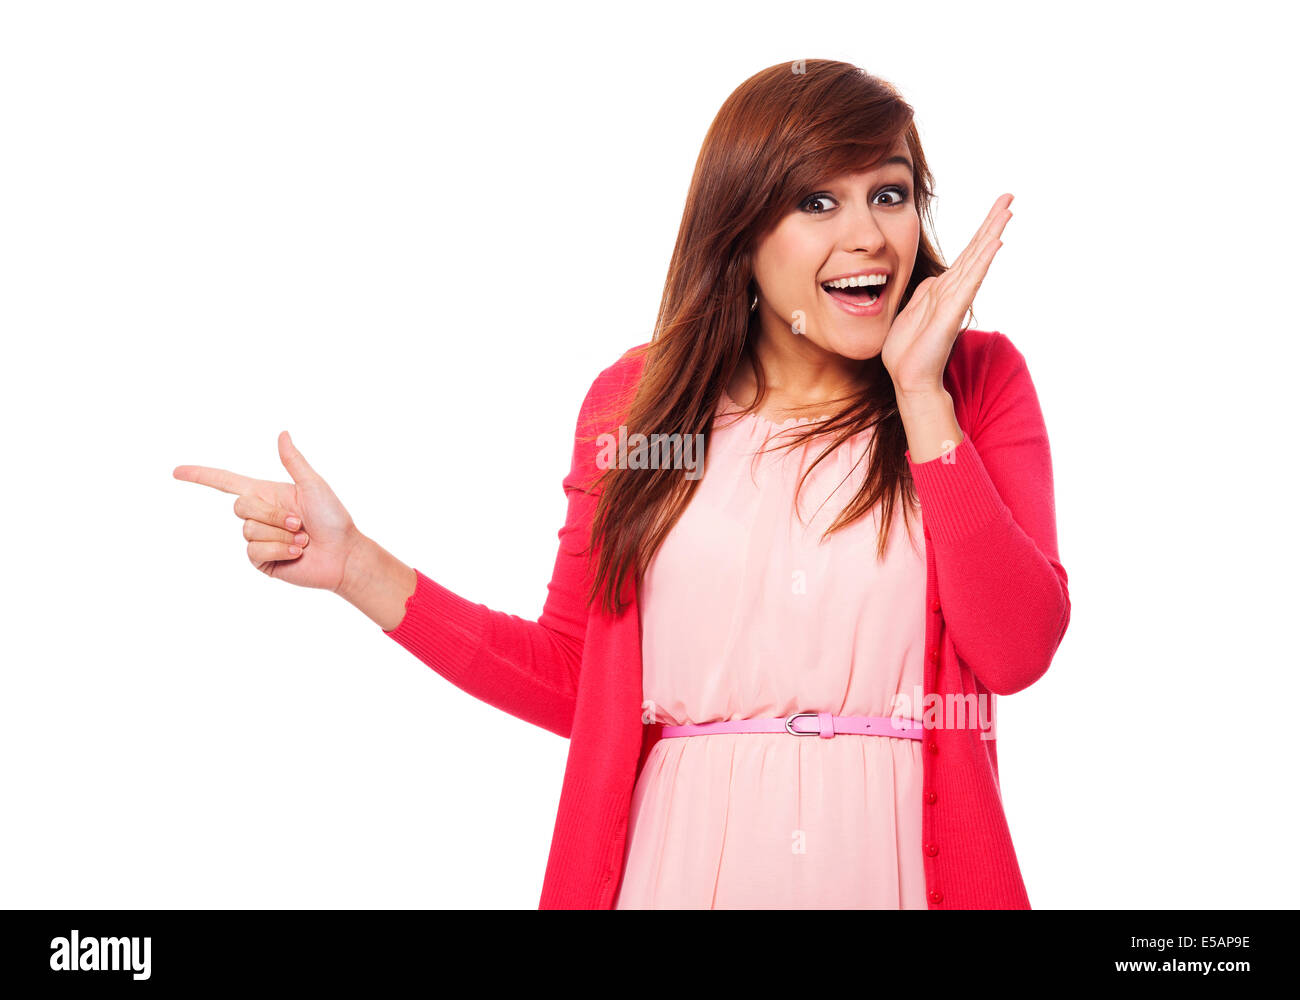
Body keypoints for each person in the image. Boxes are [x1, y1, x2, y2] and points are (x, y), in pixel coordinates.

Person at [174, 59, 1070, 909]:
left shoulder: (974, 384)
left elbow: (1018, 649)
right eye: (816, 201)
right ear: (743, 226)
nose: (868, 233)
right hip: (677, 868)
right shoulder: (639, 411)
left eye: (891, 192)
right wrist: (354, 567)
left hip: (900, 871)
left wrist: (921, 396)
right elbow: (577, 682)